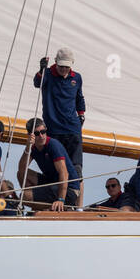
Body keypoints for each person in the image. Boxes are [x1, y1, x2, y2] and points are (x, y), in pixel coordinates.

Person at [33, 47, 85, 207]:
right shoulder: (48, 75)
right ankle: (58, 201)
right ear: (55, 62)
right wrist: (41, 70)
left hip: (73, 130)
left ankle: (79, 209)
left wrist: (81, 114)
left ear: (72, 65)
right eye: (61, 65)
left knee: (76, 171)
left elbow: (79, 97)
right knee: (57, 169)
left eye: (67, 66)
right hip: (54, 131)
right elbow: (37, 83)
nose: (64, 69)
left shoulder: (77, 78)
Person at [18, 117, 81, 212]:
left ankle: (58, 206)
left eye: (43, 131)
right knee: (21, 173)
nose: (41, 136)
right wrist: (28, 147)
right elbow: (22, 169)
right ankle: (37, 203)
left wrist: (61, 199)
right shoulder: (34, 147)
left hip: (69, 189)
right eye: (36, 133)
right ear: (31, 135)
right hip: (51, 183)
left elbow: (64, 173)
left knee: (24, 196)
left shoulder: (53, 145)